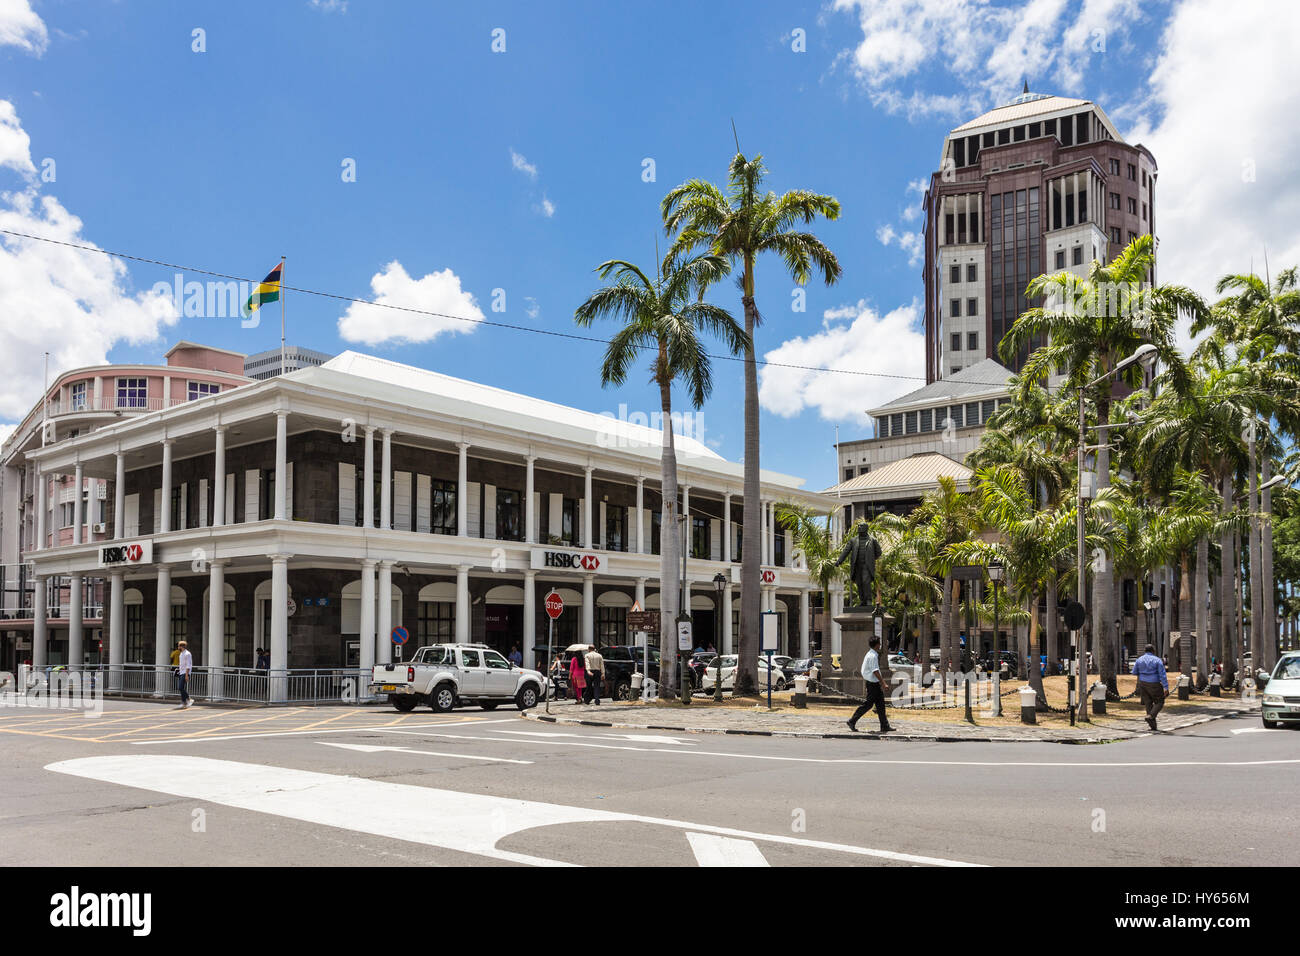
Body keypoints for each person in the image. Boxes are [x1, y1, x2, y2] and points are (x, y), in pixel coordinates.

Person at [847, 636, 893, 734]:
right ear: (877, 645)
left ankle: (884, 725)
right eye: (879, 643)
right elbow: (875, 671)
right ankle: (852, 721)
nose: (880, 645)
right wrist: (884, 683)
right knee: (868, 705)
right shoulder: (872, 656)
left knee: (880, 705)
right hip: (872, 684)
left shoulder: (871, 654)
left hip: (874, 683)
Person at [1131, 642, 1168, 731]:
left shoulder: (1139, 660)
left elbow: (1134, 672)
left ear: (1145, 651)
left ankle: (1153, 726)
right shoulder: (1157, 660)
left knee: (1148, 703)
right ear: (1153, 651)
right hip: (1154, 683)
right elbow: (1162, 674)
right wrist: (1165, 687)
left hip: (1143, 683)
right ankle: (1151, 716)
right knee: (1160, 702)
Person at [176, 640, 193, 709]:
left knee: (180, 687)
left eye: (178, 646)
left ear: (181, 646)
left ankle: (189, 699)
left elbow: (188, 665)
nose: (178, 647)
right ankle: (184, 702)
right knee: (181, 688)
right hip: (181, 672)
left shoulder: (187, 654)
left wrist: (186, 675)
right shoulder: (181, 654)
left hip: (185, 672)